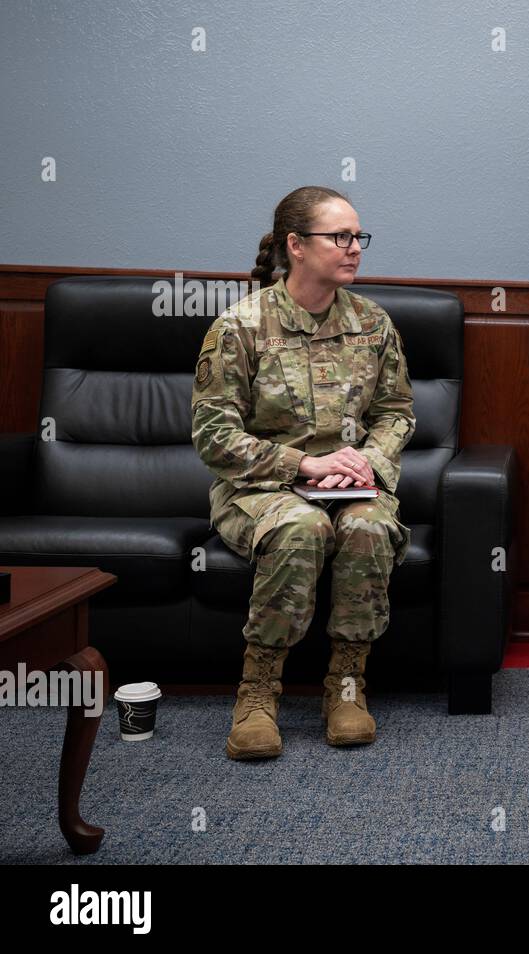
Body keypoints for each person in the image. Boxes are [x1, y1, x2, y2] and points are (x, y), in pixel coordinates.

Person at [191, 186, 416, 760]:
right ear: (295, 245)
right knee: (302, 527)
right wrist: (303, 464)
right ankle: (259, 691)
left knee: (366, 528)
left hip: (351, 484)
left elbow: (396, 414)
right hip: (261, 490)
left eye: (357, 236)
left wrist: (366, 460)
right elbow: (214, 437)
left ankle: (346, 685)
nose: (354, 248)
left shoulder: (374, 324)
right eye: (339, 237)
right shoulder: (239, 327)